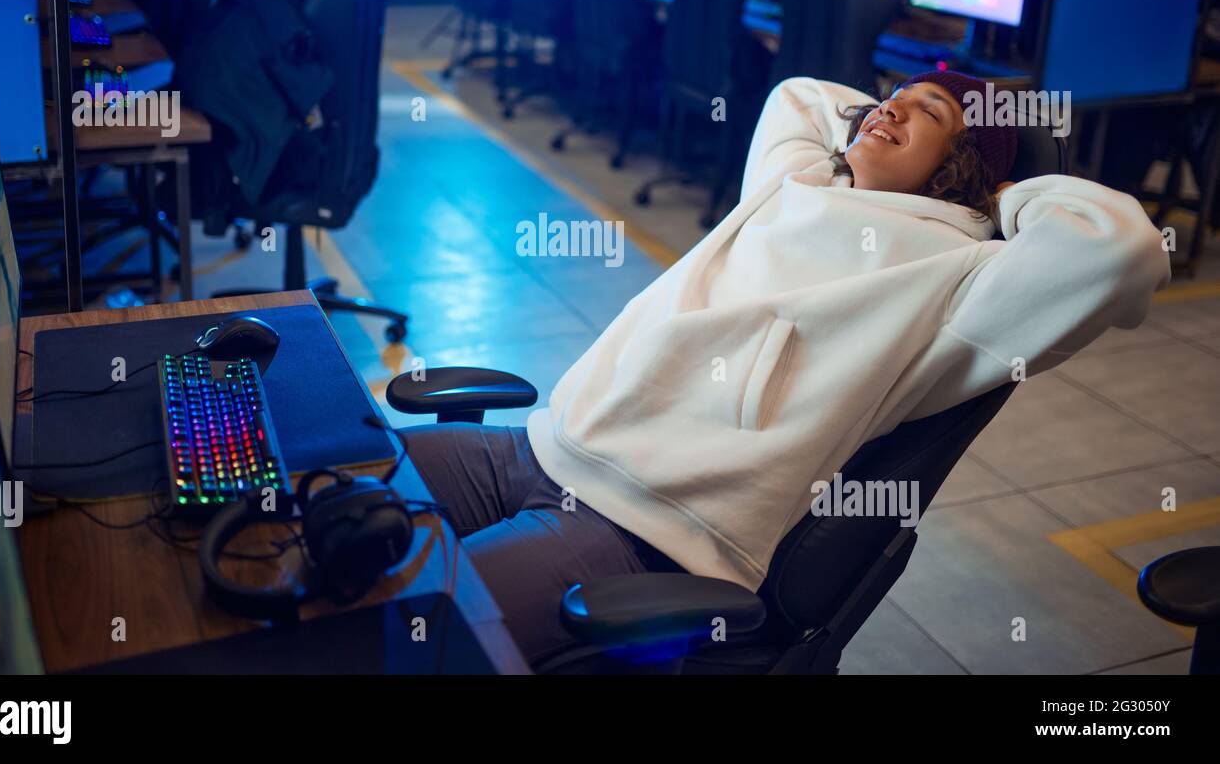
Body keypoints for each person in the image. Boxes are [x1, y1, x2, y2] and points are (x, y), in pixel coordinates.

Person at [398, 71, 1170, 666]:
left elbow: (1123, 253)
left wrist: (1006, 192)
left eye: (927, 113)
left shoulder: (961, 276)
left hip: (634, 532)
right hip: (533, 450)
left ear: (962, 166)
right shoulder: (796, 179)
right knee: (333, 490)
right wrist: (895, 120)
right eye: (887, 99)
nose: (886, 111)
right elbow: (799, 94)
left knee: (402, 622)